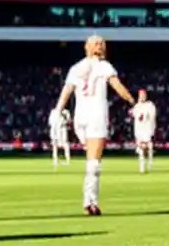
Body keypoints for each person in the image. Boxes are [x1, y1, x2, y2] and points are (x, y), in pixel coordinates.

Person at [53, 35, 136, 215]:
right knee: (94, 163)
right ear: (88, 47)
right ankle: (90, 201)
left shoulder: (76, 68)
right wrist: (132, 101)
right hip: (96, 116)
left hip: (80, 118)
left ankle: (89, 199)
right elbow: (117, 86)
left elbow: (67, 91)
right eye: (98, 44)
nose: (100, 46)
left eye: (101, 43)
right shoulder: (104, 66)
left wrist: (57, 110)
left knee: (91, 160)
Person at [131, 89, 158, 174]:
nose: (142, 97)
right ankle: (142, 167)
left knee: (149, 147)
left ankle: (150, 164)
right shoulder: (136, 106)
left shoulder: (150, 105)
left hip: (148, 129)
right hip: (139, 130)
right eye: (140, 95)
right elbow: (135, 116)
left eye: (143, 95)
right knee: (141, 149)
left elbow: (152, 116)